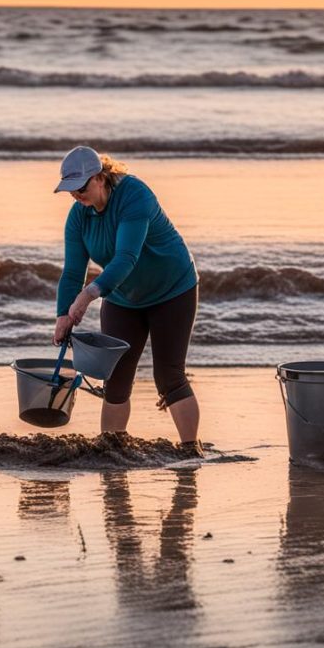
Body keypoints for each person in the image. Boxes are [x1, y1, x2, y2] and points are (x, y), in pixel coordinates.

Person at [51, 146, 202, 455]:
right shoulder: (79, 217)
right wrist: (63, 314)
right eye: (70, 190)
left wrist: (88, 296)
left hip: (173, 290)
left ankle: (191, 450)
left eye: (80, 188)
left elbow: (126, 258)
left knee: (169, 376)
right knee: (116, 379)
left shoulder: (134, 195)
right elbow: (72, 272)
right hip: (122, 298)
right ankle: (112, 450)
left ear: (99, 178)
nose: (75, 196)